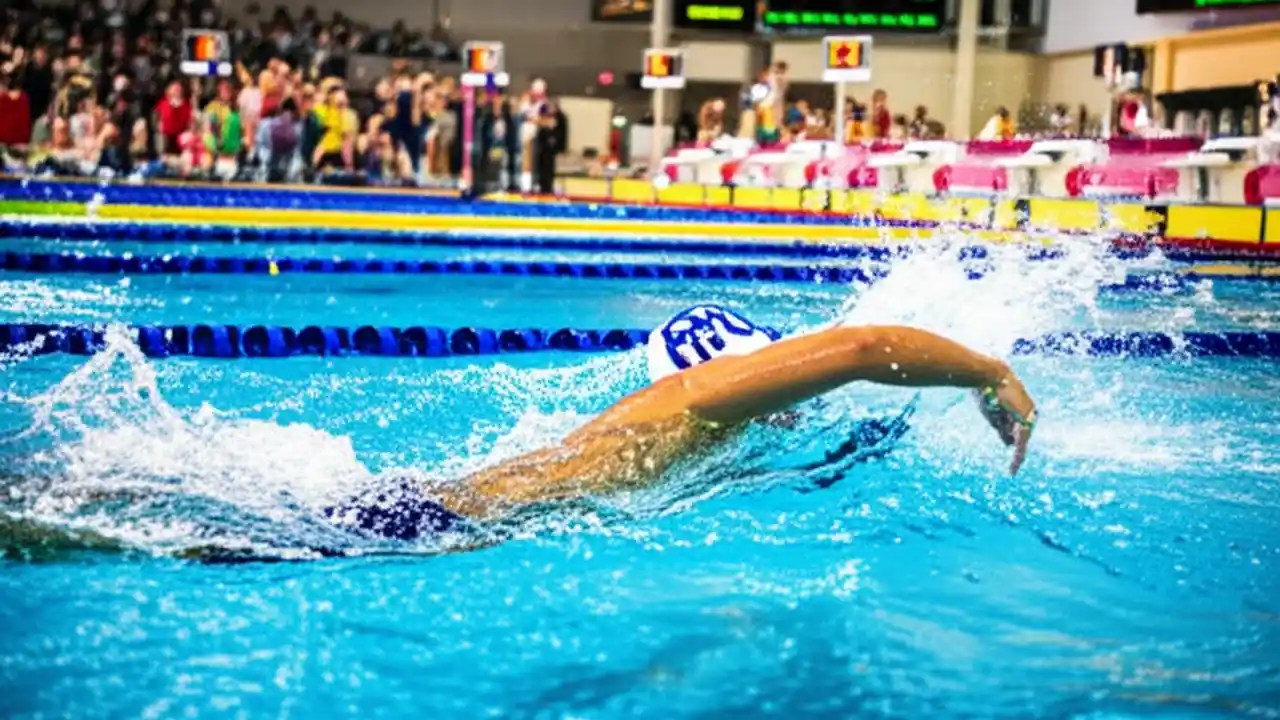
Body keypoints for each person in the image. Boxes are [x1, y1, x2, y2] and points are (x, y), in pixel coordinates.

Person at [324, 307, 1037, 542]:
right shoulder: (706, 395)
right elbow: (861, 348)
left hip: (446, 516)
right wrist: (988, 371)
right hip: (431, 523)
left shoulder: (690, 416)